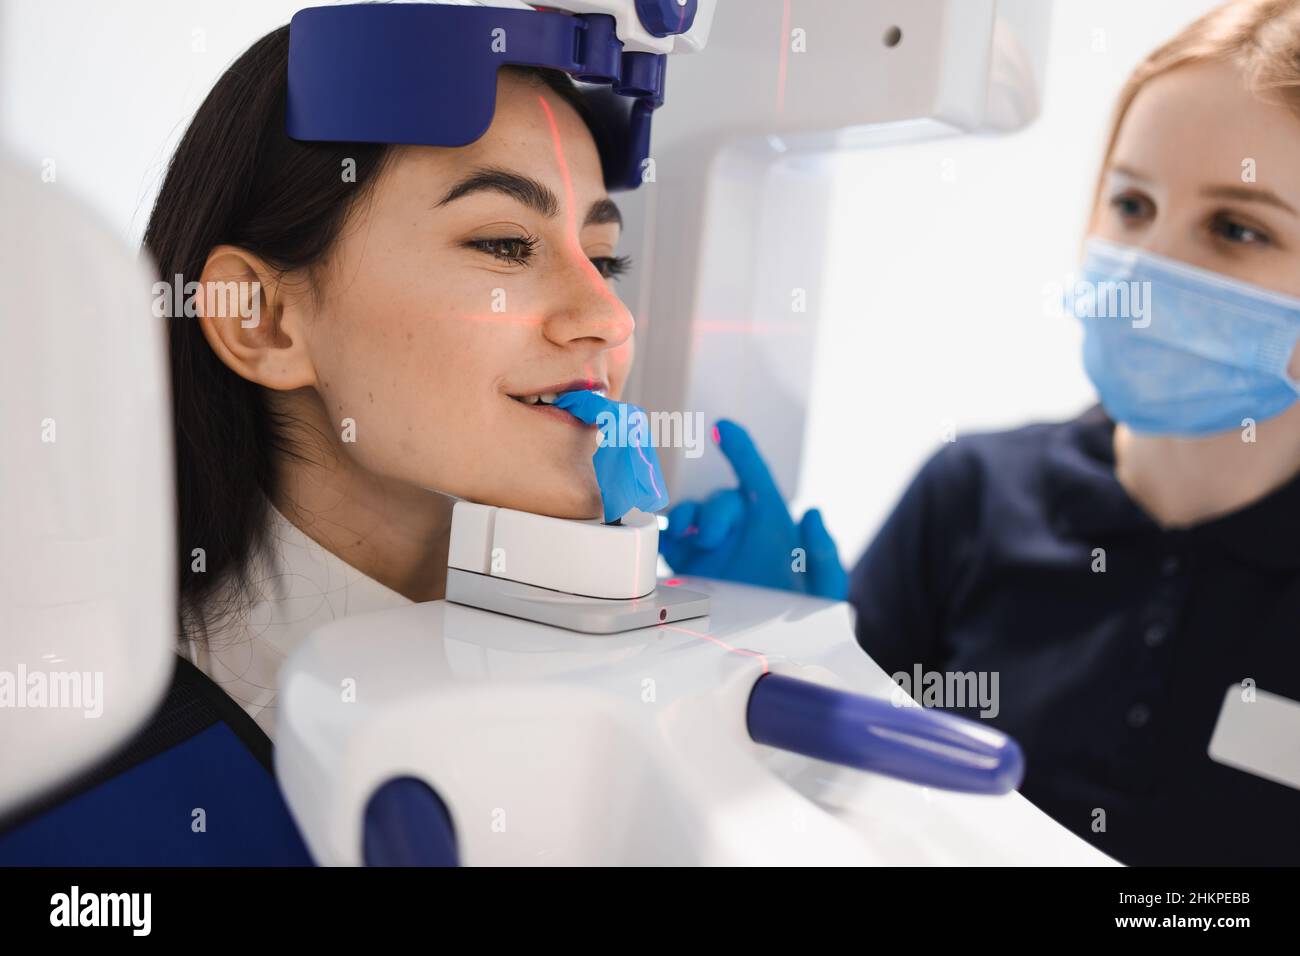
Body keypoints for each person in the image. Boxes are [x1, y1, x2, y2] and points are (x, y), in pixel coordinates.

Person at [663, 0, 1300, 865]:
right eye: (1132, 204)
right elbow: (823, 798)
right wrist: (775, 649)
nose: (1149, 267)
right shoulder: (968, 499)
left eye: (1237, 228)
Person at [146, 26, 636, 739]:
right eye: (504, 244)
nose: (609, 317)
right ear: (261, 318)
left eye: (604, 259)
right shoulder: (138, 754)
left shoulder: (599, 659)